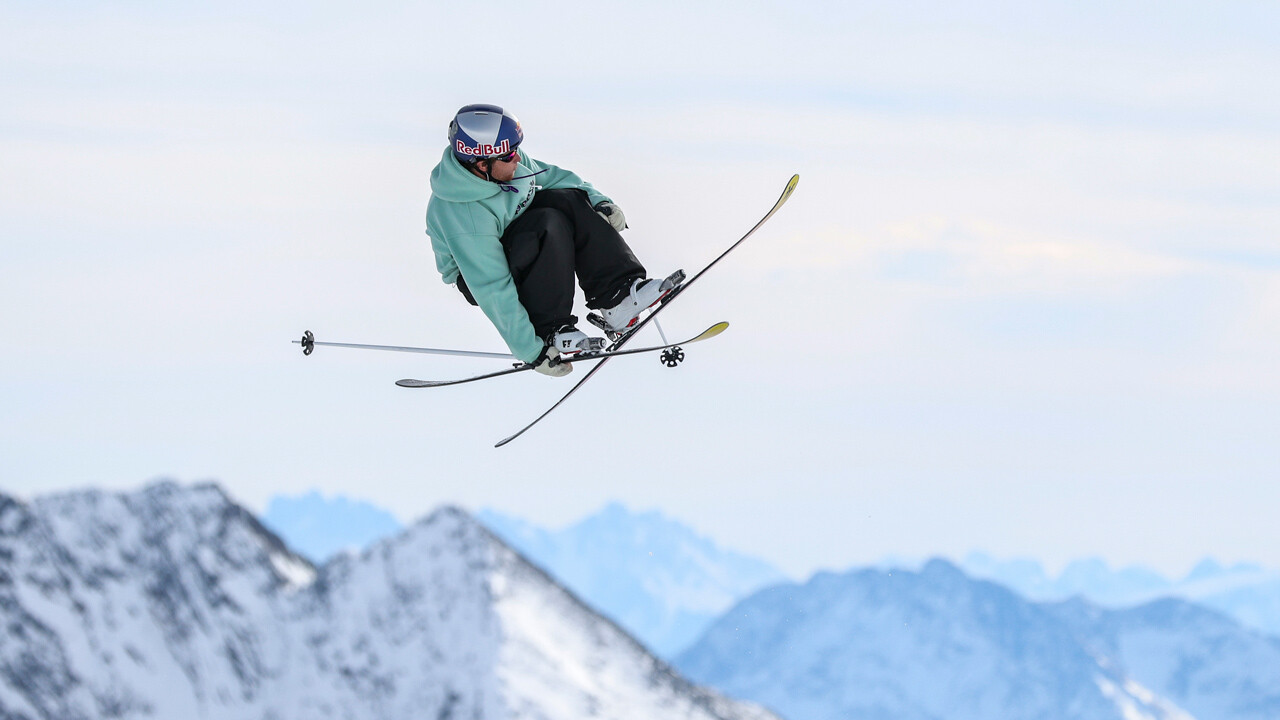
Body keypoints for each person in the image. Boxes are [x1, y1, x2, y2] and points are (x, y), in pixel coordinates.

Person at [425, 104, 677, 377]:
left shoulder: (506, 164)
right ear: (481, 164)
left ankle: (618, 298)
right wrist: (531, 350)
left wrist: (599, 201)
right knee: (547, 223)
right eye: (509, 155)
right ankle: (552, 329)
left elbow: (556, 179)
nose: (517, 159)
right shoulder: (464, 215)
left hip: (518, 238)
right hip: (478, 277)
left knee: (567, 199)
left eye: (516, 149)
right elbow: (492, 287)